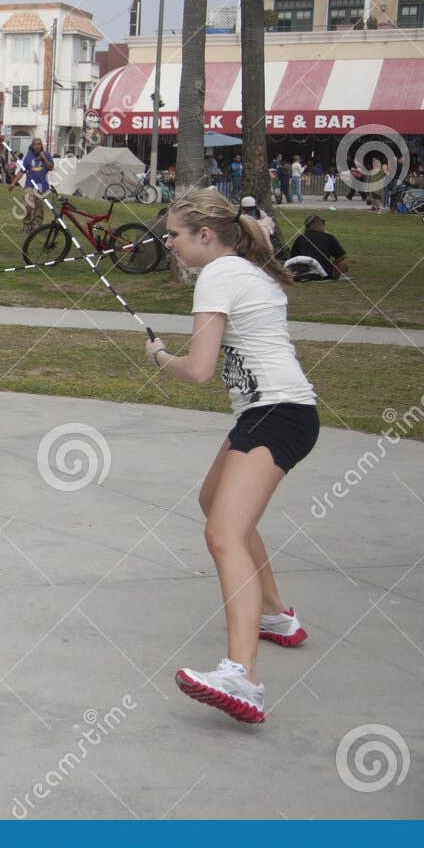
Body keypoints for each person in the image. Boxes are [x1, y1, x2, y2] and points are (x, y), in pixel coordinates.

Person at [146, 189, 317, 725]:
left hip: (279, 412)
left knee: (222, 533)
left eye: (172, 234)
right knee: (214, 501)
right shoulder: (241, 269)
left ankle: (242, 678)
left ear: (203, 234)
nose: (166, 242)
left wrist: (159, 357)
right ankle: (275, 616)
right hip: (270, 412)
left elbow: (198, 370)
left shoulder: (220, 274)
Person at [286, 214, 350, 279]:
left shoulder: (300, 238)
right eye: (322, 223)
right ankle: (334, 277)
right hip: (324, 273)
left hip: (303, 272)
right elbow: (342, 257)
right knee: (344, 263)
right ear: (318, 224)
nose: (323, 225)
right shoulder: (329, 237)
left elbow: (293, 259)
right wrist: (333, 265)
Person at [11, 137, 54, 232]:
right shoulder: (28, 157)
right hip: (29, 185)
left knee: (39, 208)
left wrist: (44, 159)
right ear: (33, 146)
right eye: (36, 144)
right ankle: (26, 226)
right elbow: (22, 171)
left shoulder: (47, 155)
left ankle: (36, 227)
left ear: (41, 146)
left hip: (43, 186)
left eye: (39, 144)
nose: (38, 146)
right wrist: (13, 183)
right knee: (28, 206)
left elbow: (51, 168)